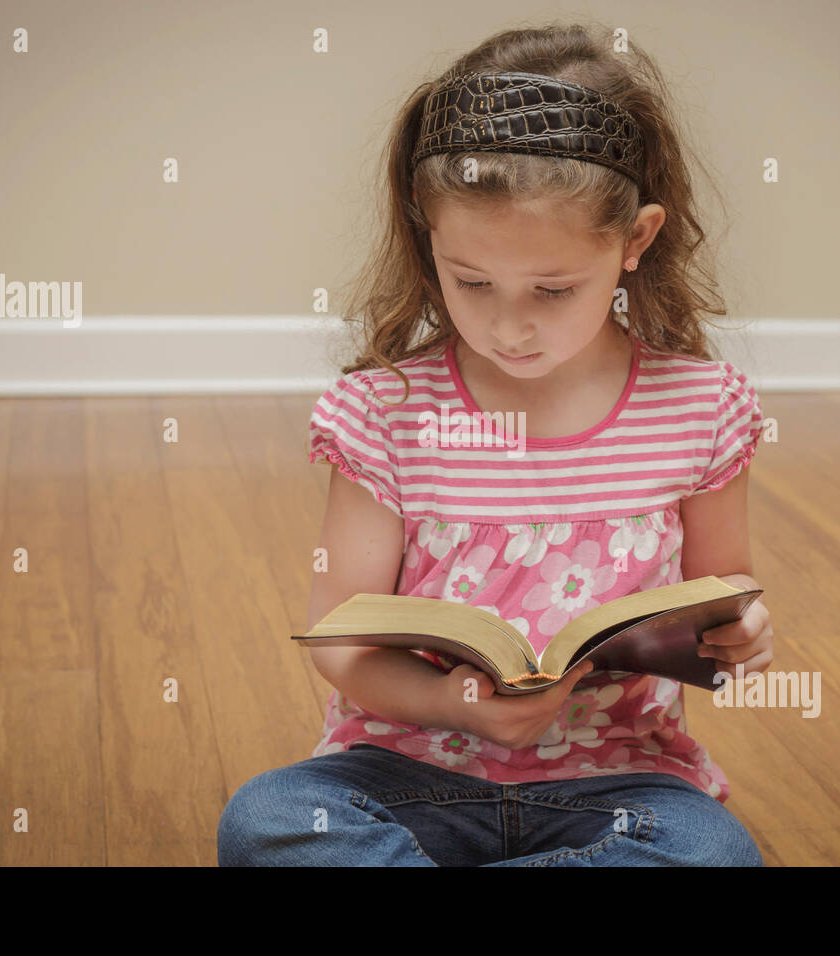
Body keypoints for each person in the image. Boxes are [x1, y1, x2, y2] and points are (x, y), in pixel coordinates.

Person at [219, 23, 773, 866]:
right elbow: (340, 638)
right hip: (404, 773)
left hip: (619, 782)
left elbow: (719, 598)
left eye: (553, 289)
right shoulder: (384, 413)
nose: (508, 326)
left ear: (636, 240)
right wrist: (459, 704)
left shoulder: (697, 407)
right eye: (471, 282)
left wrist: (745, 635)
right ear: (427, 237)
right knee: (267, 820)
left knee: (711, 854)